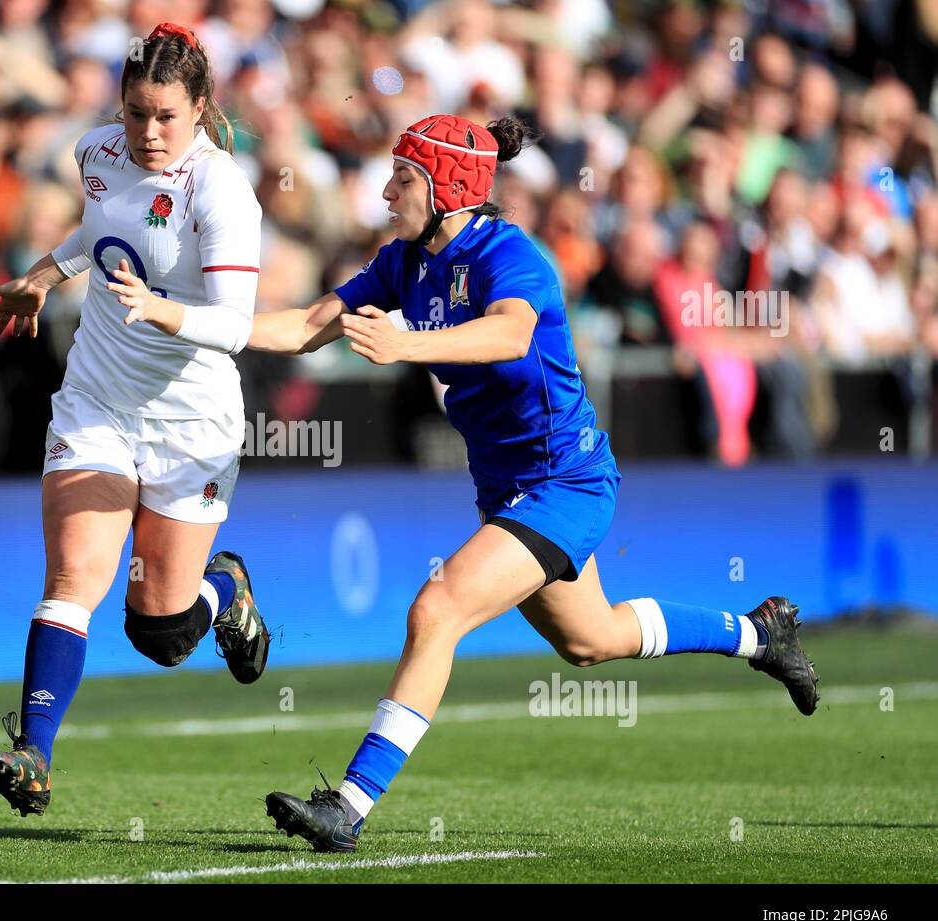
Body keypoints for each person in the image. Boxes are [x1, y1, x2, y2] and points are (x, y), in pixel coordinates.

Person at [250, 113, 820, 853]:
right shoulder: (401, 264)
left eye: (403, 177)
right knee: (593, 638)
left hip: (567, 483)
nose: (385, 191)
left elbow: (510, 333)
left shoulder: (510, 254)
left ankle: (348, 807)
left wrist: (403, 343)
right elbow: (301, 326)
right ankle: (761, 634)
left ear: (449, 189)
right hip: (509, 490)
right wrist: (178, 319)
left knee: (438, 607)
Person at [0, 23, 271, 817]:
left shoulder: (223, 191)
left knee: (161, 634)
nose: (148, 132)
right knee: (73, 577)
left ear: (201, 109)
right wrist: (48, 271)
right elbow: (106, 228)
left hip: (191, 426)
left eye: (167, 116)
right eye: (137, 112)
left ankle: (224, 587)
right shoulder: (96, 153)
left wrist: (164, 311)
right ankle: (33, 753)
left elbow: (239, 323)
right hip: (97, 403)